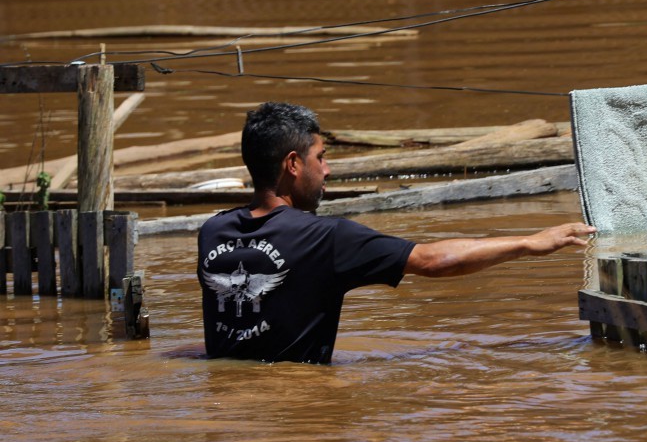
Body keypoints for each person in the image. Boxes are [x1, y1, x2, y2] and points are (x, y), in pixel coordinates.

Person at [197, 102, 595, 364]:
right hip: (295, 407)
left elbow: (240, 342)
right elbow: (433, 262)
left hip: (227, 405)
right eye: (321, 157)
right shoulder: (324, 237)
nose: (328, 170)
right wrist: (528, 242)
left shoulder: (212, 233)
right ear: (293, 164)